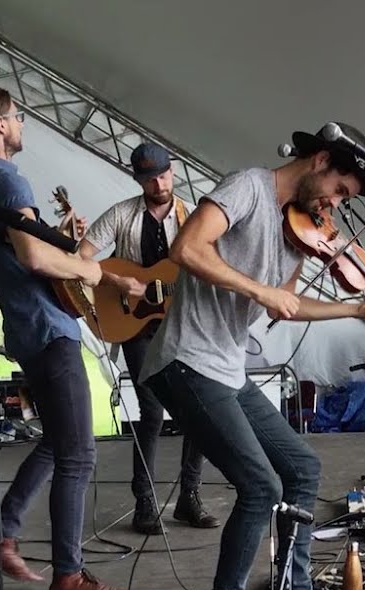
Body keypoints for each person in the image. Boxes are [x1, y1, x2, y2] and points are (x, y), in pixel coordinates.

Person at [139, 122, 365, 590]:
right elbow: (188, 246)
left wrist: (358, 309)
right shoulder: (248, 187)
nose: (335, 206)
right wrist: (256, 289)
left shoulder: (298, 233)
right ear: (321, 161)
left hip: (226, 369)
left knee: (300, 466)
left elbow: (289, 304)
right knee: (260, 485)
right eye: (339, 191)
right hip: (186, 359)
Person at [0, 85, 130, 590]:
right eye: (18, 116)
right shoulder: (5, 178)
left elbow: (23, 246)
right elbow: (34, 260)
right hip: (49, 330)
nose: (23, 122)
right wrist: (96, 271)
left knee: (58, 440)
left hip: (27, 328)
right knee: (78, 452)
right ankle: (68, 578)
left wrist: (61, 238)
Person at [79, 142, 218, 534]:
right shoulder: (122, 215)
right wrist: (118, 280)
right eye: (150, 178)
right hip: (134, 324)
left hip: (181, 325)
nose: (159, 183)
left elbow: (210, 264)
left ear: (172, 170)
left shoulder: (191, 216)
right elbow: (82, 255)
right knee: (152, 411)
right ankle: (144, 503)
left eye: (164, 174)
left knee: (198, 411)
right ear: (138, 180)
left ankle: (189, 498)